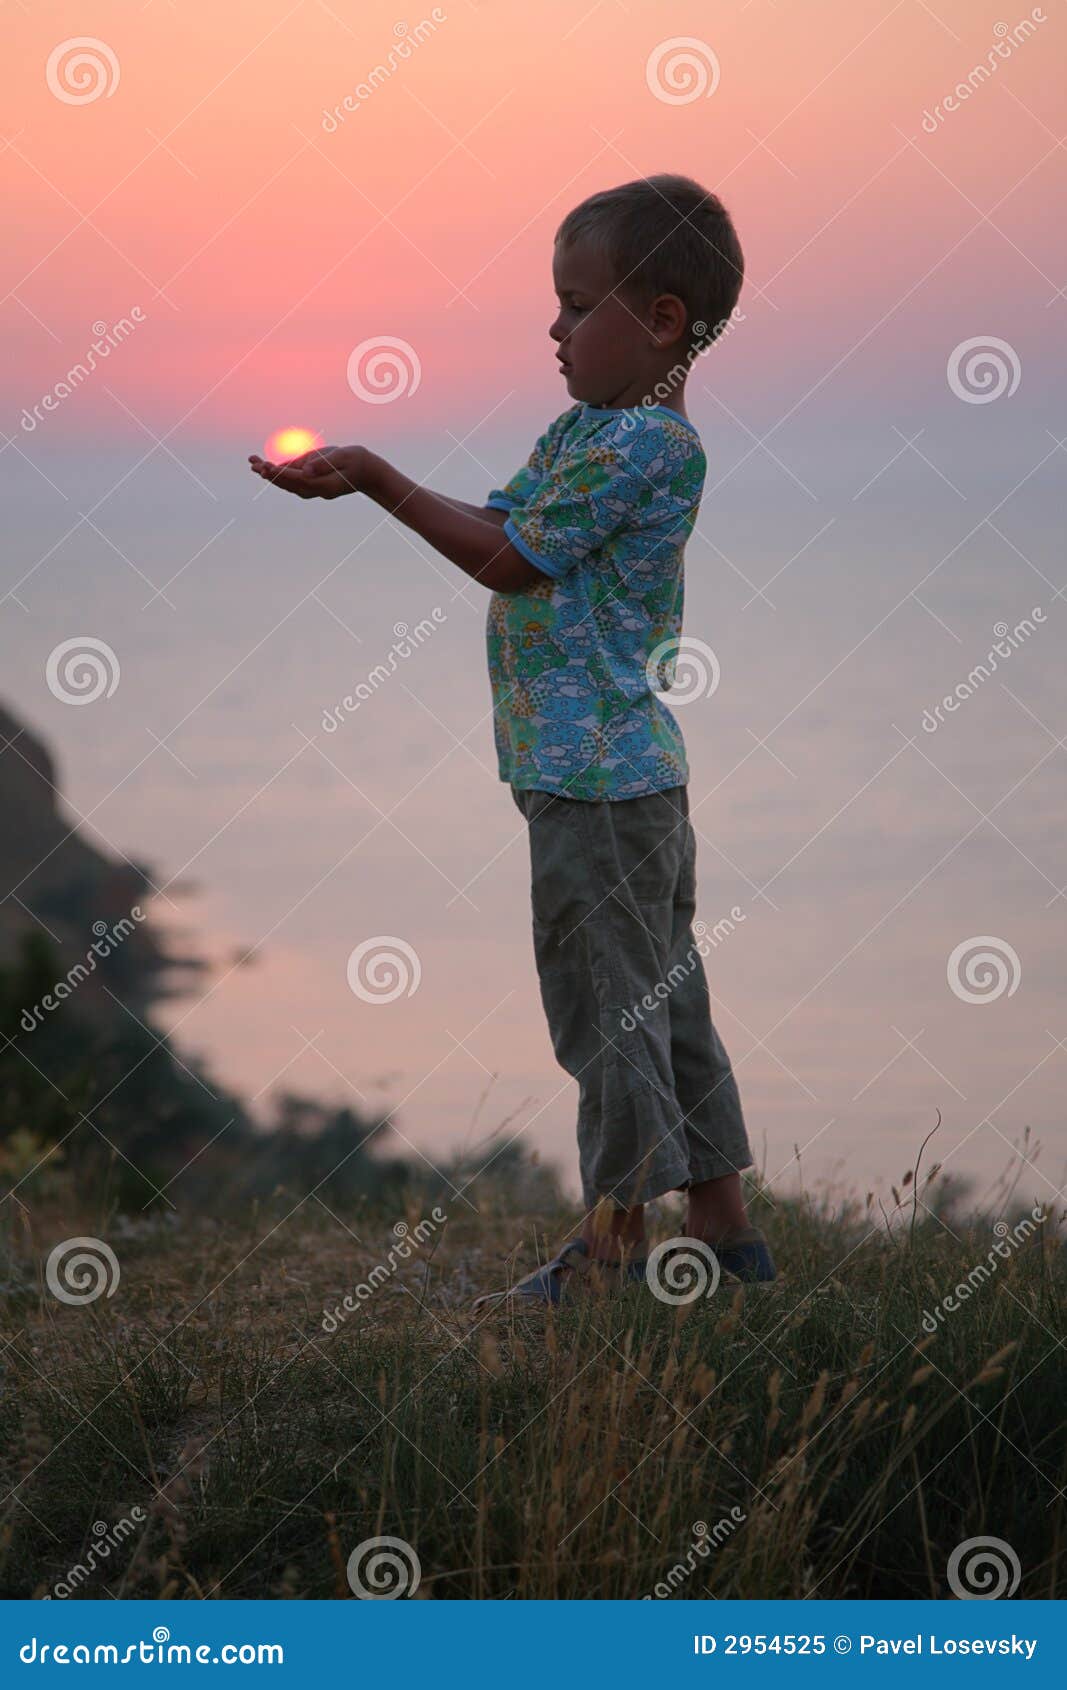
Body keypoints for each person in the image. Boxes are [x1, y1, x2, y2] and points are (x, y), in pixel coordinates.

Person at [249, 173, 776, 1308]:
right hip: (614, 783)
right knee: (663, 998)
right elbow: (504, 522)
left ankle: (613, 1245)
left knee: (607, 1011)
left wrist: (382, 483)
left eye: (577, 304)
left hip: (596, 790)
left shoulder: (646, 448)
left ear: (663, 321)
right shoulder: (588, 430)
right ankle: (728, 1234)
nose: (553, 326)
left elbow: (510, 561)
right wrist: (370, 477)